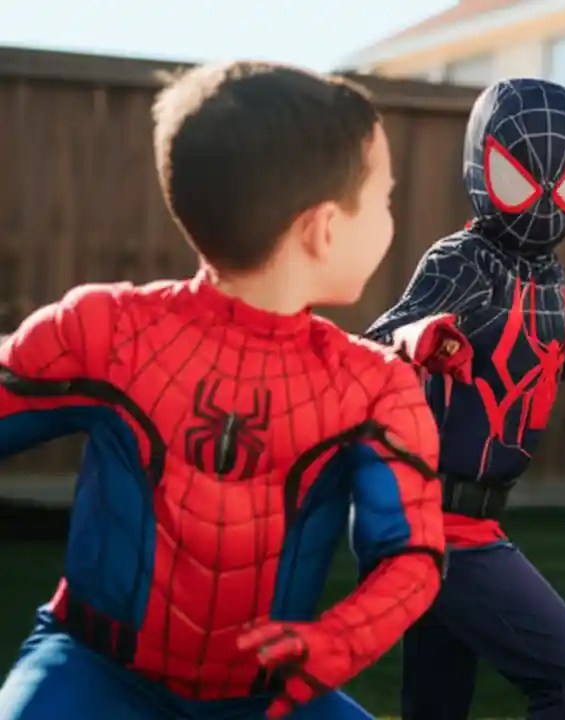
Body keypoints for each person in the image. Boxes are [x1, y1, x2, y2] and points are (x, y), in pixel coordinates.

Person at [0, 61, 459, 719]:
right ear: (324, 228)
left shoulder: (372, 387)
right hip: (93, 664)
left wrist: (338, 641)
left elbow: (411, 557)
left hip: (270, 693)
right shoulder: (109, 334)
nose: (389, 218)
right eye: (384, 199)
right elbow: (417, 555)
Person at [364, 77, 565, 720]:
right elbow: (371, 345)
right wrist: (417, 336)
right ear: (484, 164)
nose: (545, 201)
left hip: (472, 520)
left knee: (436, 704)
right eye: (522, 177)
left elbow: (542, 363)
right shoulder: (463, 259)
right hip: (437, 524)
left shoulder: (544, 272)